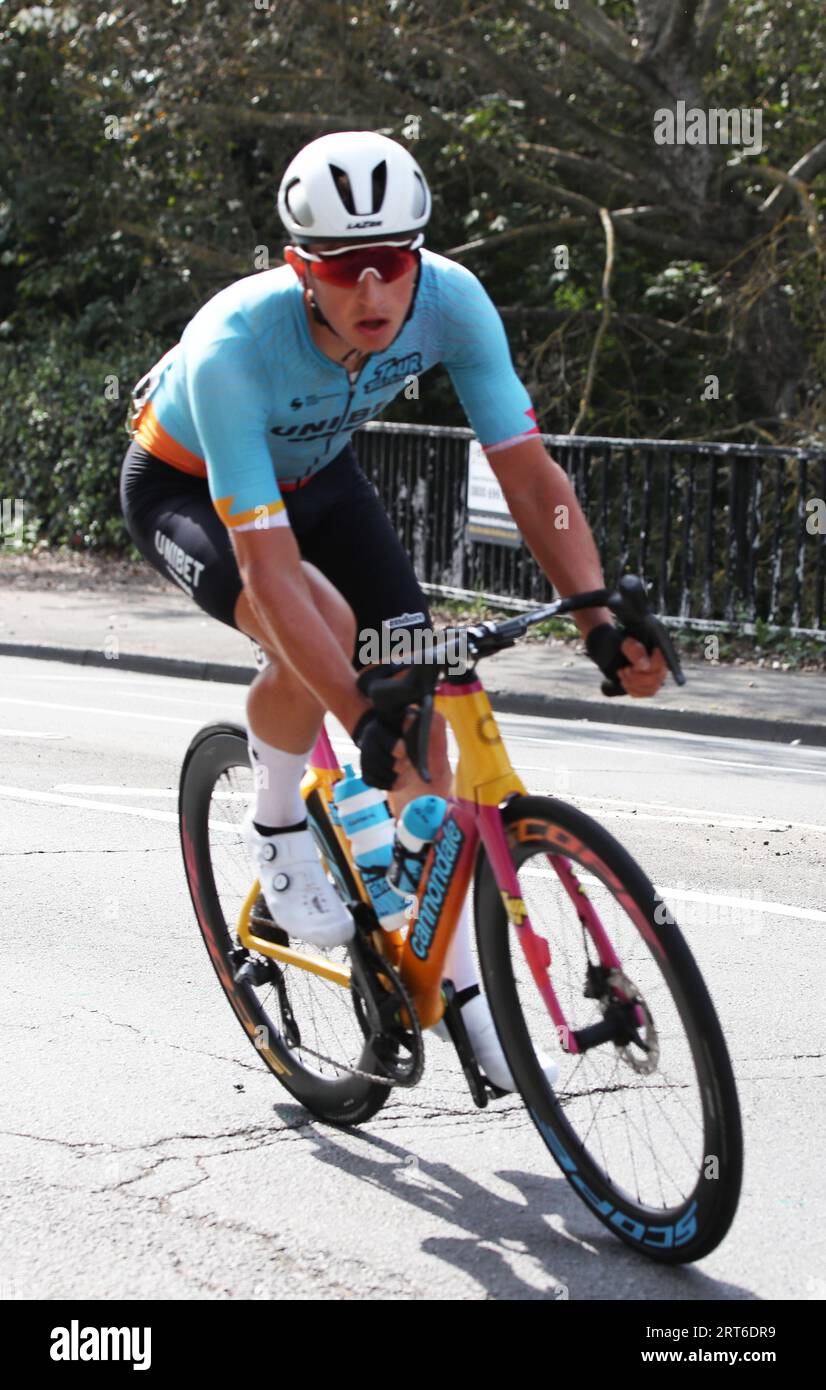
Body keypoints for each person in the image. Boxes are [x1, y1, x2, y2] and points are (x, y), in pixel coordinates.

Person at [120, 130, 665, 1091]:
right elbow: (270, 567)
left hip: (323, 476)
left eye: (391, 266)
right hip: (189, 488)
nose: (372, 293)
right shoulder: (233, 347)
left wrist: (594, 615)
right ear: (301, 267)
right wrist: (355, 713)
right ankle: (279, 825)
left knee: (419, 697)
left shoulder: (451, 300)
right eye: (344, 270)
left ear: (418, 257)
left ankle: (456, 990)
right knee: (317, 630)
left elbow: (529, 472)